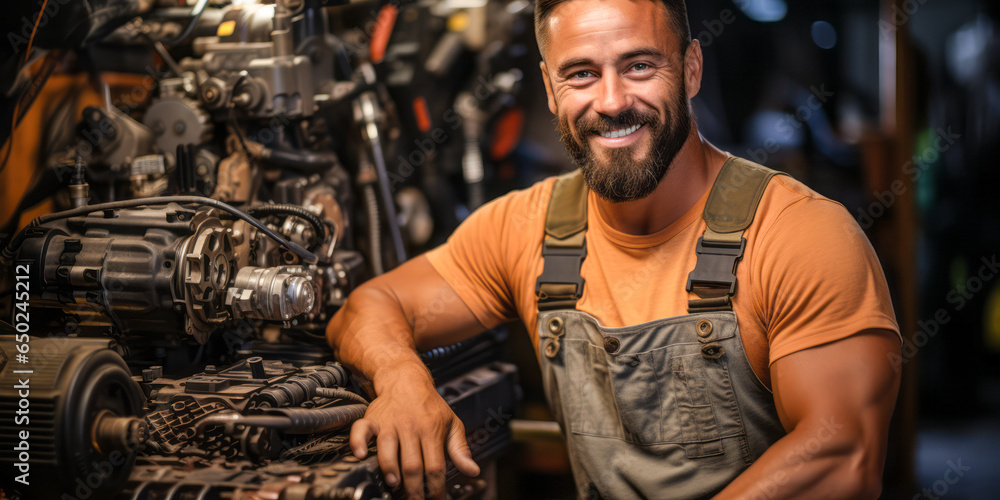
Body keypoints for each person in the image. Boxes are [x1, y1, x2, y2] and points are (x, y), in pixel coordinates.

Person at [326, 0, 902, 498]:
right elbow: (367, 307)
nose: (611, 101)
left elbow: (842, 459)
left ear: (691, 69)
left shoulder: (799, 234)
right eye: (580, 74)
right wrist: (402, 380)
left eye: (639, 65)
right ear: (550, 91)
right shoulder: (524, 228)